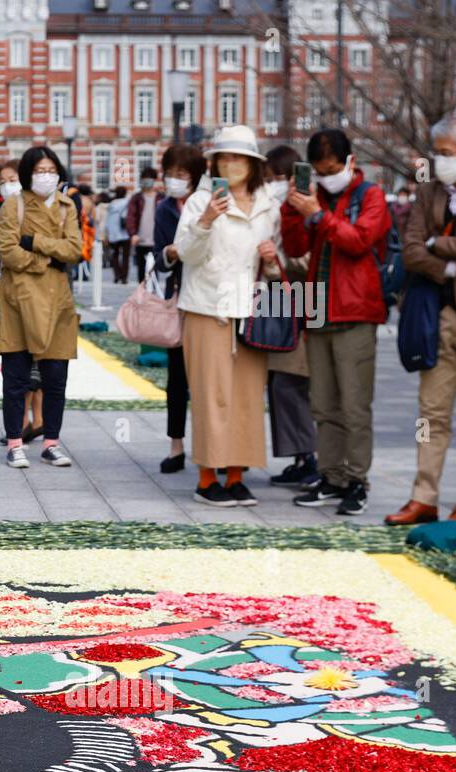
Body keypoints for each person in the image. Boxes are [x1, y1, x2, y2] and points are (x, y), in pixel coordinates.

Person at [283, 128, 391, 516]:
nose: (326, 177)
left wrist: (318, 215)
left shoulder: (370, 196)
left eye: (331, 170)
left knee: (354, 404)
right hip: (317, 310)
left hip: (356, 311)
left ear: (349, 162)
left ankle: (357, 480)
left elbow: (359, 240)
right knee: (323, 403)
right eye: (319, 171)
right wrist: (292, 211)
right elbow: (294, 247)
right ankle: (331, 476)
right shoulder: (314, 198)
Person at [174, 125, 281, 507]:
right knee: (211, 394)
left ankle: (236, 475)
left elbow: (276, 261)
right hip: (208, 307)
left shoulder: (268, 203)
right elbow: (185, 252)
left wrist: (272, 259)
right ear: (214, 163)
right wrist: (205, 221)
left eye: (239, 157)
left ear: (253, 164)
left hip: (251, 308)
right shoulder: (200, 200)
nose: (231, 164)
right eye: (224, 157)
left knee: (246, 396)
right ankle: (207, 478)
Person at [386, 116, 456, 526]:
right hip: (435, 318)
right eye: (436, 153)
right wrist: (452, 266)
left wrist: (440, 243)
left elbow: (429, 246)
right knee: (428, 416)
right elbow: (412, 251)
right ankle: (423, 495)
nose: (440, 161)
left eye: (447, 153)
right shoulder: (427, 192)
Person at [0, 145, 84, 469]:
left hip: (58, 299)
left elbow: (74, 249)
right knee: (16, 377)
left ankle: (51, 442)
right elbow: (8, 250)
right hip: (19, 299)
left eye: (51, 171)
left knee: (55, 376)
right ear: (27, 174)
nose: (46, 176)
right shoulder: (14, 205)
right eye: (40, 171)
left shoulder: (66, 205)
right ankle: (15, 442)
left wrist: (34, 242)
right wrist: (45, 260)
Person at [263, 144, 320, 490]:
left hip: (304, 295)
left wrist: (277, 262)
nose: (271, 183)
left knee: (292, 379)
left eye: (275, 177)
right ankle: (300, 457)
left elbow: (309, 257)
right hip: (278, 295)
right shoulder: (272, 205)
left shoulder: (308, 206)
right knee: (280, 380)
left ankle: (310, 456)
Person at [152, 144, 207, 474]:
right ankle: (176, 445)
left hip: (210, 298)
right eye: (170, 173)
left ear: (195, 176)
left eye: (181, 174)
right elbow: (159, 258)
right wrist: (170, 254)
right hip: (180, 300)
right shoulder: (164, 210)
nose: (174, 179)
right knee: (177, 377)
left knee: (209, 377)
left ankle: (211, 445)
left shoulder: (209, 204)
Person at [126, 166, 162, 283]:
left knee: (154, 269)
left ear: (154, 180)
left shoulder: (160, 198)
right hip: (140, 239)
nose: (147, 181)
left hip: (156, 239)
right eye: (145, 178)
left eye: (149, 178)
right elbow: (130, 217)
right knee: (141, 270)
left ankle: (152, 291)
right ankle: (142, 290)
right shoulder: (136, 198)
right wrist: (133, 234)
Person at [105, 186, 131, 283]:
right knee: (125, 256)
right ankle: (124, 277)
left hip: (113, 234)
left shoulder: (111, 205)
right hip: (125, 233)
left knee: (114, 256)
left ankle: (117, 275)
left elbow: (107, 221)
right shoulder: (128, 203)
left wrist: (107, 234)